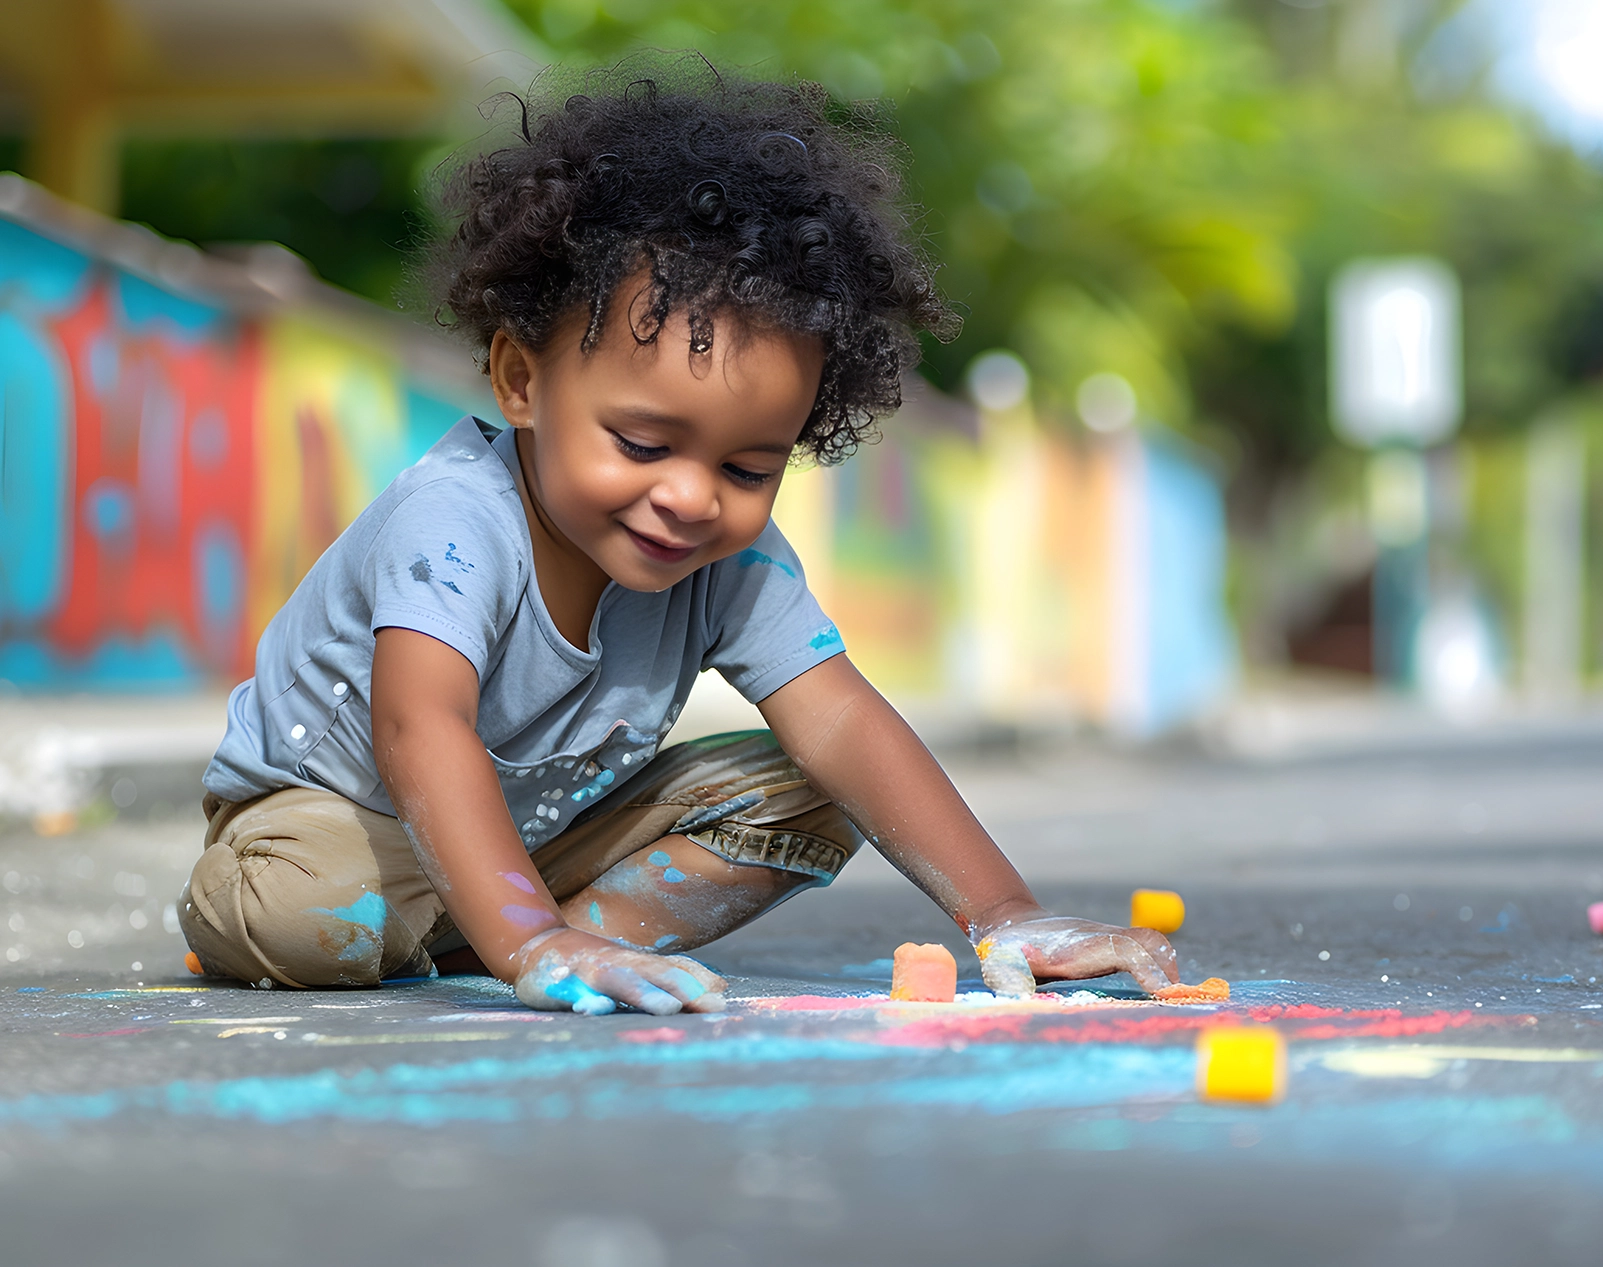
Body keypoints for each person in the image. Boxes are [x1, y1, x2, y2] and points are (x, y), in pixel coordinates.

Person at [179, 63, 1180, 1015]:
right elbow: (418, 728)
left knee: (819, 789)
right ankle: (517, 939)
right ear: (522, 380)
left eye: (749, 469)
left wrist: (1005, 915)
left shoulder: (725, 562)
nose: (692, 498)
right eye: (645, 442)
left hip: (543, 842)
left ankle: (530, 937)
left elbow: (839, 721)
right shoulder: (455, 520)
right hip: (336, 827)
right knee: (308, 916)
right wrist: (529, 936)